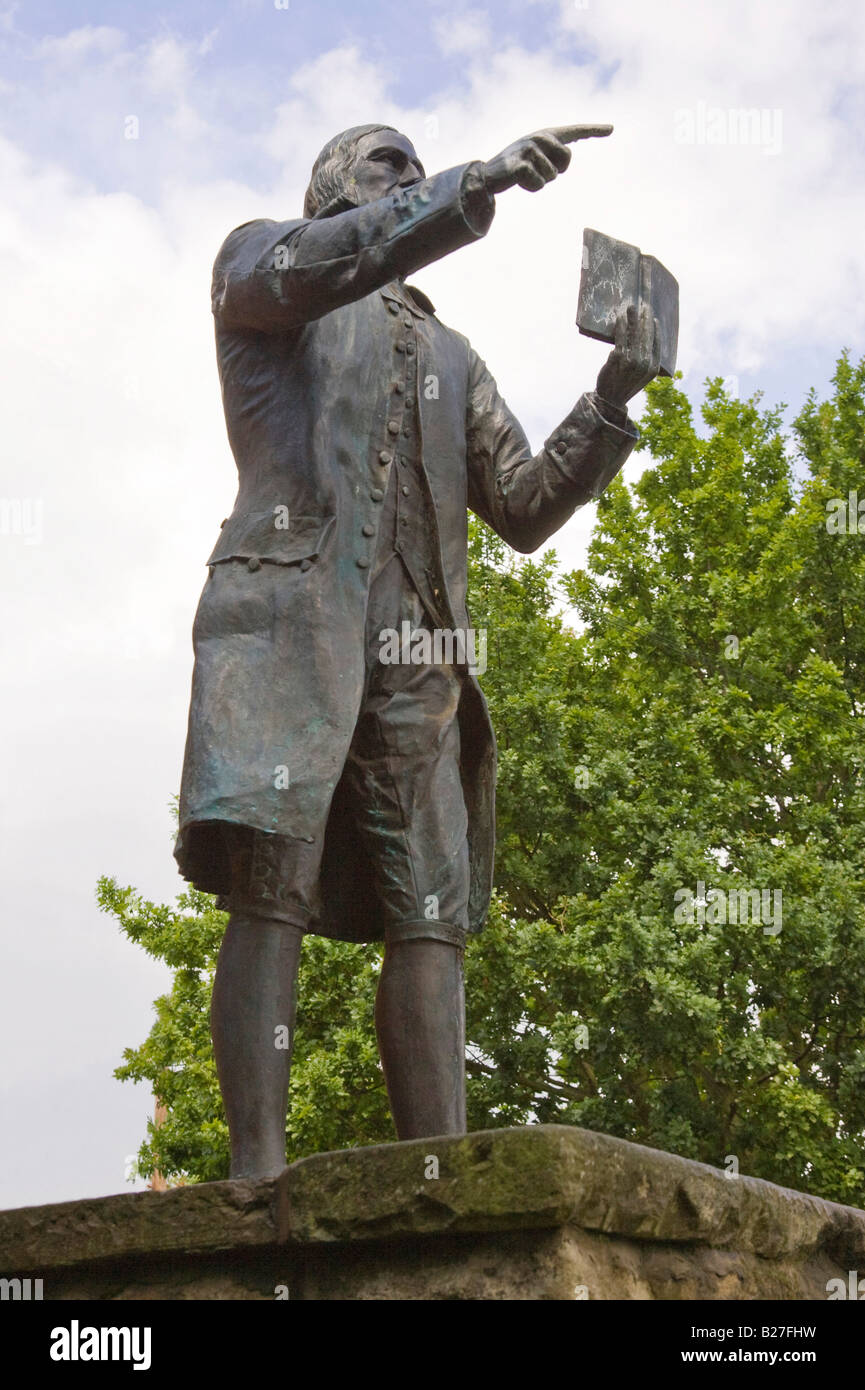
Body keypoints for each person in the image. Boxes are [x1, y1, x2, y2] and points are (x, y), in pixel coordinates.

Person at [174, 122, 659, 1178]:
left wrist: (610, 400)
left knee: (431, 909)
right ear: (330, 191)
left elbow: (524, 505)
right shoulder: (265, 264)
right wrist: (465, 188)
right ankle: (254, 1172)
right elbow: (340, 254)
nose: (405, 173)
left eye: (414, 162)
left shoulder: (450, 357)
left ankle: (434, 1172)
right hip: (290, 622)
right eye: (383, 164)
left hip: (419, 657)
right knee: (272, 881)